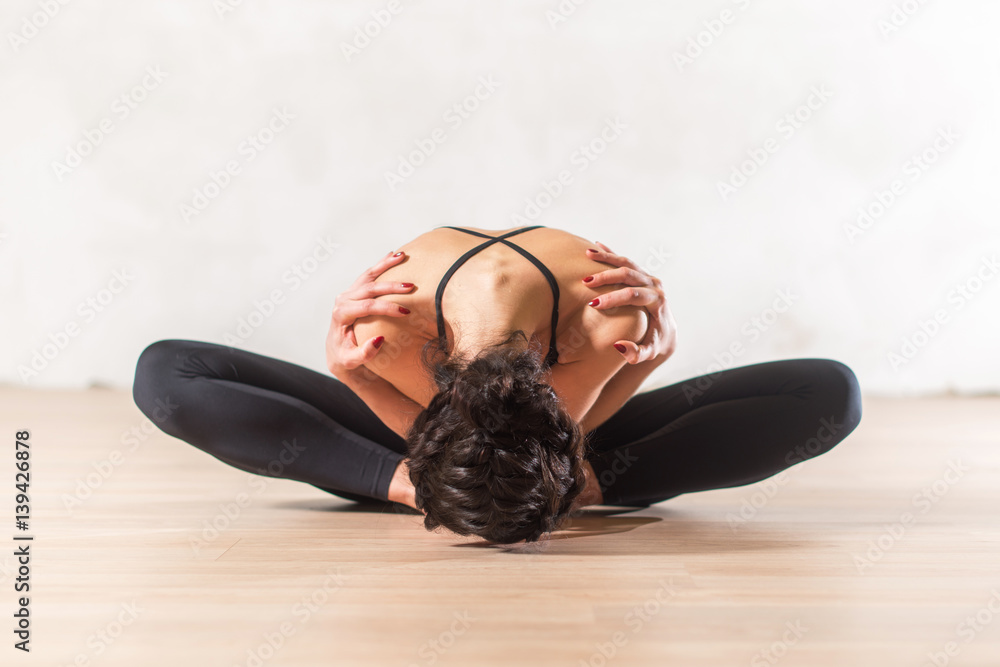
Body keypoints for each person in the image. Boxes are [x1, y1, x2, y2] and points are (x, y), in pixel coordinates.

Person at [133, 225, 861, 545]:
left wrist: (642, 364)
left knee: (832, 391)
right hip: (474, 428)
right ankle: (429, 485)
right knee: (165, 372)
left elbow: (546, 425)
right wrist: (353, 377)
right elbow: (172, 370)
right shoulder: (392, 328)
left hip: (525, 429)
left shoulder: (606, 323)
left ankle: (519, 483)